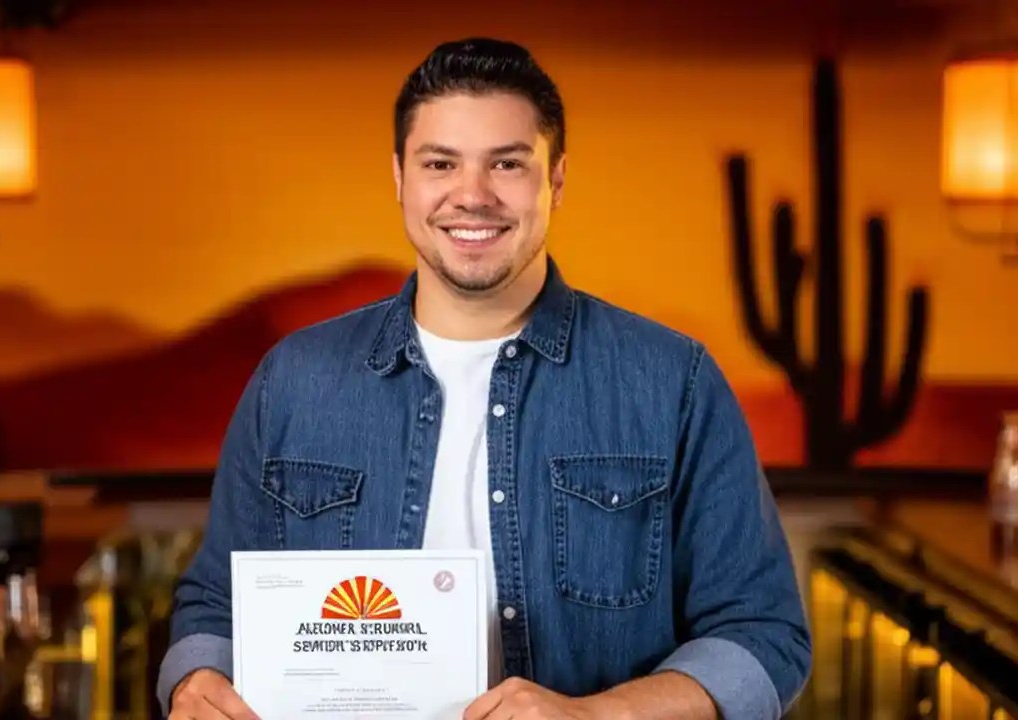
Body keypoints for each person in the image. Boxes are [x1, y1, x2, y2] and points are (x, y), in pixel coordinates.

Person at [158, 37, 811, 720]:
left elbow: (762, 636)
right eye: (441, 163)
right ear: (400, 177)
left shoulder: (672, 382)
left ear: (555, 179)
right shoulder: (292, 380)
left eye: (507, 164)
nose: (472, 196)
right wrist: (195, 680)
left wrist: (594, 715)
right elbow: (215, 603)